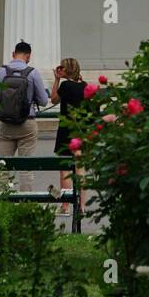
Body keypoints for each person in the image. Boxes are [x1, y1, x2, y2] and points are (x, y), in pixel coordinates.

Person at [0, 41, 50, 190]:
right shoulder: (32, 72)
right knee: (26, 167)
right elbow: (43, 101)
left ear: (13, 54)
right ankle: (25, 202)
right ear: (28, 56)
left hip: (5, 124)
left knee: (3, 165)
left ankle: (1, 201)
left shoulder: (0, 71)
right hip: (27, 123)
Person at [51, 58, 87, 213]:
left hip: (66, 130)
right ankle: (82, 206)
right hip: (81, 131)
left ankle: (65, 206)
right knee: (80, 169)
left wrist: (57, 80)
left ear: (65, 70)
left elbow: (53, 99)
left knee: (65, 169)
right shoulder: (85, 86)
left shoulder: (65, 85)